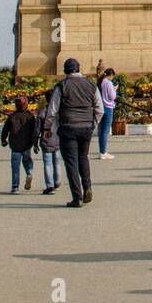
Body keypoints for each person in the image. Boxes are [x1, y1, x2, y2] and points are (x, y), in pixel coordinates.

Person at [46, 58, 103, 208]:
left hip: (68, 127)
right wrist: (92, 125)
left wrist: (47, 128)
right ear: (79, 69)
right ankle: (87, 187)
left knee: (71, 162)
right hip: (86, 128)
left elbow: (52, 110)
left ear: (65, 71)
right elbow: (100, 109)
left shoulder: (62, 86)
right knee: (83, 157)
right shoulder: (91, 85)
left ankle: (77, 197)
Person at [1, 95, 37, 195]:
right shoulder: (30, 117)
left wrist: (3, 140)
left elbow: (5, 130)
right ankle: (29, 172)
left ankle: (15, 187)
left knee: (15, 167)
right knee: (27, 161)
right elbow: (35, 131)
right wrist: (35, 143)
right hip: (27, 144)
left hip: (15, 145)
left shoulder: (12, 117)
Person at [34, 88, 63, 195]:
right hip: (57, 139)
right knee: (57, 162)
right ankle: (58, 182)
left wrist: (35, 142)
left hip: (46, 140)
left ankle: (49, 185)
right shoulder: (59, 112)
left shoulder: (42, 113)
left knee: (47, 164)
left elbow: (37, 130)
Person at [97, 68, 116, 160]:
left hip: (101, 106)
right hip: (108, 106)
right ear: (111, 75)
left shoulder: (101, 82)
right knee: (105, 130)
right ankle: (103, 152)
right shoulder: (108, 83)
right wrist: (115, 90)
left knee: (101, 130)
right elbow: (112, 96)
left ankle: (102, 150)